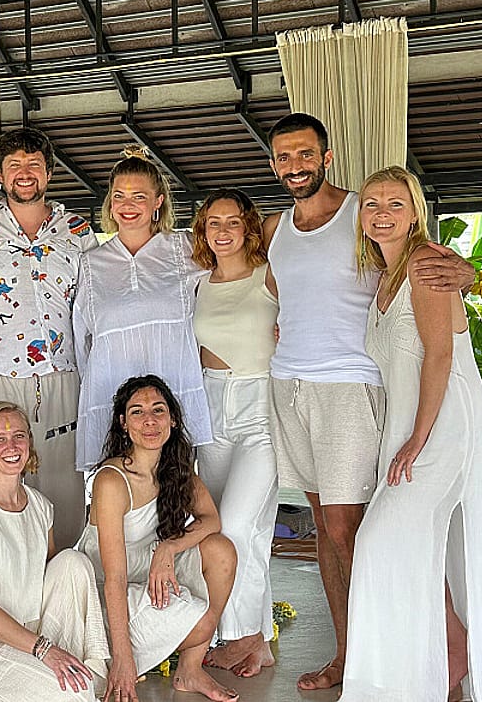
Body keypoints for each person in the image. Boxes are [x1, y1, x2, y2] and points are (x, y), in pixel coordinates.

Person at [261, 113, 475, 691]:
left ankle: (413, 651)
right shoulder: (273, 227)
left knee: (351, 531)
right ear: (274, 162)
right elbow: (279, 291)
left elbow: (422, 260)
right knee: (324, 536)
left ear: (326, 158)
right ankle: (350, 652)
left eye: (305, 154)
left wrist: (469, 272)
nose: (294, 166)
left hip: (350, 390)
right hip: (290, 386)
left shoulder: (364, 210)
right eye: (283, 156)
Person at [342, 167, 482, 701]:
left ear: (416, 212)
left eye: (395, 203)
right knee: (417, 548)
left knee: (378, 543)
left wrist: (418, 439)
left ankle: (431, 667)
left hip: (440, 425)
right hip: (412, 422)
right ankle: (449, 654)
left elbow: (441, 355)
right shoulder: (384, 276)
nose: (381, 213)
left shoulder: (425, 263)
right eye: (372, 203)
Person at [0, 128, 99, 549]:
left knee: (63, 482)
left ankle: (62, 581)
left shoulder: (78, 231)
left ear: (49, 174)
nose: (24, 174)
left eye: (34, 165)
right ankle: (3, 585)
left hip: (61, 373)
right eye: (14, 165)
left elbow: (100, 296)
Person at [79, 375, 240, 702]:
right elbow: (114, 577)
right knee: (201, 627)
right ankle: (121, 655)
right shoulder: (111, 481)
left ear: (173, 419)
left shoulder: (175, 469)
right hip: (108, 594)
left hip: (150, 572)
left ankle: (190, 670)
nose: (149, 420)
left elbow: (212, 520)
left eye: (158, 410)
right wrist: (123, 661)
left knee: (221, 550)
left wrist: (169, 547)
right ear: (124, 424)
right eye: (137, 412)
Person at [0, 401, 109, 702]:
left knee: (73, 562)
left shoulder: (41, 505)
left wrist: (47, 649)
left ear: (29, 442)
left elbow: (48, 575)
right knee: (75, 692)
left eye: (19, 436)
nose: (11, 446)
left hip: (25, 628)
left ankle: (87, 672)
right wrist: (46, 651)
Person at [72, 150, 212, 474]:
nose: (128, 205)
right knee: (117, 495)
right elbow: (82, 339)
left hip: (173, 389)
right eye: (119, 196)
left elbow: (229, 286)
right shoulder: (91, 263)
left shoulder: (187, 248)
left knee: (175, 494)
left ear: (158, 201)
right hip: (112, 393)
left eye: (139, 196)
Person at [190, 189, 279, 678]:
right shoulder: (198, 282)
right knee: (245, 530)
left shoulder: (270, 277)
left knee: (237, 524)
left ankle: (240, 634)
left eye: (233, 222)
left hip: (260, 408)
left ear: (250, 227)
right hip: (209, 407)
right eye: (212, 223)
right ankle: (258, 639)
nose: (222, 231)